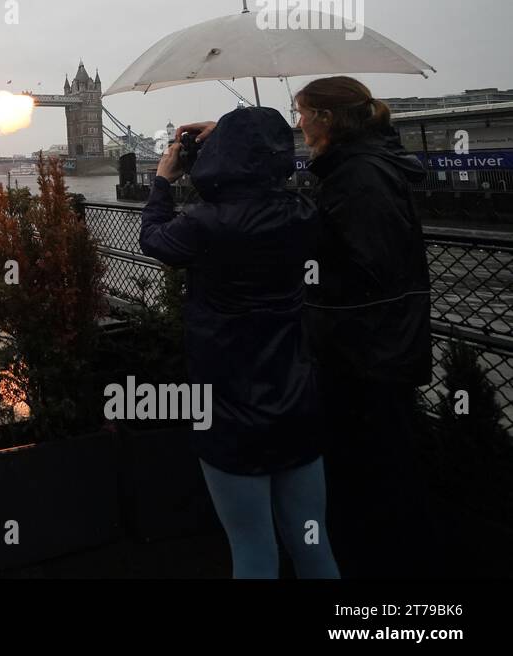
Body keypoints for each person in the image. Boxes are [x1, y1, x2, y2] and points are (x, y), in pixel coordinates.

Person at [140, 107, 338, 579]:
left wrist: (163, 182)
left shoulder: (206, 224)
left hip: (230, 408)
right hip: (295, 399)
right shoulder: (304, 214)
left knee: (251, 548)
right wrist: (239, 140)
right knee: (313, 544)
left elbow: (153, 239)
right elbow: (269, 169)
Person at [293, 75, 433, 578]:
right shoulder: (353, 167)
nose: (298, 121)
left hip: (368, 353)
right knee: (373, 468)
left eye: (303, 111)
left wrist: (305, 245)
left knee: (375, 472)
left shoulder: (359, 175)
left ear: (327, 119)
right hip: (369, 348)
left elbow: (371, 267)